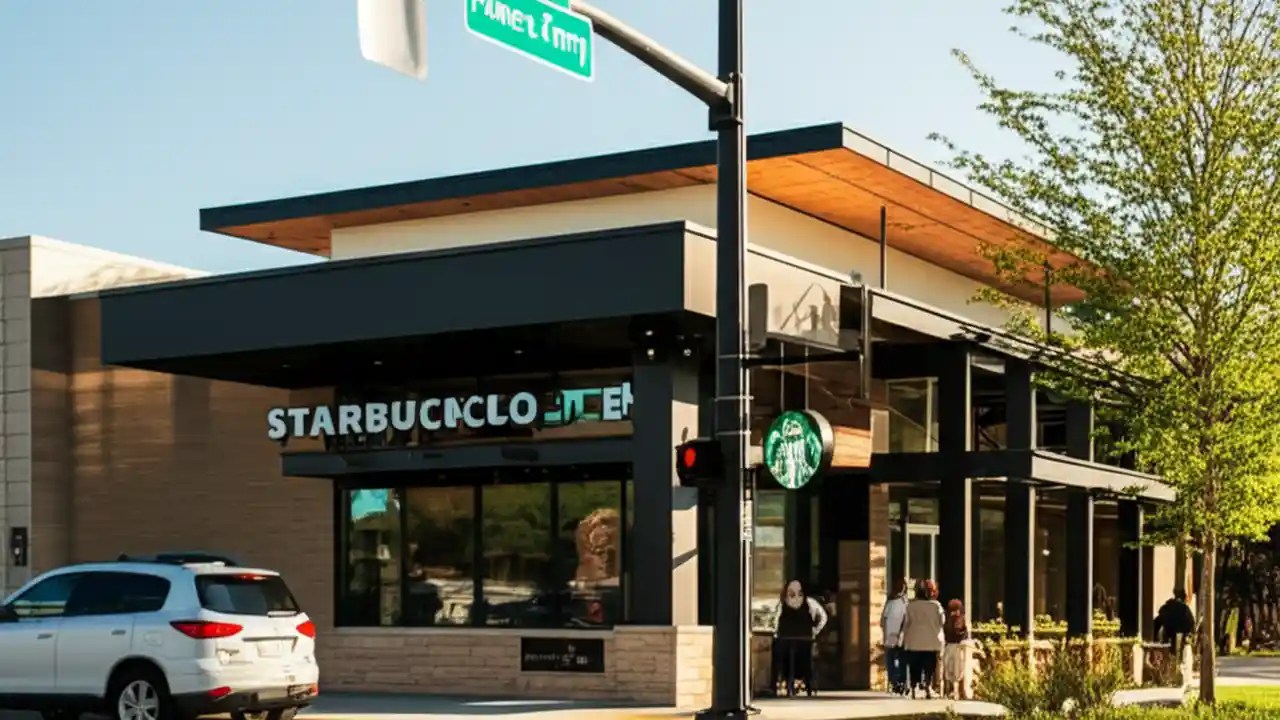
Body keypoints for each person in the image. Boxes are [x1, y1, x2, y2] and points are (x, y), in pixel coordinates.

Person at [772, 579, 829, 697]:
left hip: (804, 638)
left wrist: (815, 630)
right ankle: (788, 683)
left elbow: (823, 617)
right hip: (787, 638)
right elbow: (775, 619)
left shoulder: (810, 603)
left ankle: (807, 684)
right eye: (792, 593)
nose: (796, 596)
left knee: (806, 661)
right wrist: (776, 631)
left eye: (799, 592)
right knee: (786, 660)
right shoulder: (782, 603)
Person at [900, 579, 944, 699]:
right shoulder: (936, 606)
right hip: (931, 641)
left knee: (915, 666)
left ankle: (914, 687)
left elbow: (906, 623)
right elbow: (942, 621)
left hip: (914, 641)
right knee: (929, 666)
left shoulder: (910, 606)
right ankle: (927, 686)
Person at [881, 578, 910, 695]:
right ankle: (901, 683)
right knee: (902, 660)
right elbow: (907, 620)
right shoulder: (905, 602)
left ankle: (895, 683)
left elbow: (883, 620)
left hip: (891, 635)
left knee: (891, 661)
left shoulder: (890, 602)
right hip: (900, 636)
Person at [1154, 588, 1196, 661]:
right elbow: (1191, 623)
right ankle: (1177, 665)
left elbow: (1158, 621)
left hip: (1169, 634)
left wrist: (1154, 637)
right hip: (1180, 635)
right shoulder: (1185, 608)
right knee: (1179, 654)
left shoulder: (1168, 606)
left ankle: (1171, 663)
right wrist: (1191, 634)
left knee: (1168, 651)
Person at [942, 599, 969, 700]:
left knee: (952, 668)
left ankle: (950, 690)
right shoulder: (956, 619)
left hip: (951, 646)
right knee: (957, 668)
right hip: (955, 646)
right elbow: (963, 633)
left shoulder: (951, 619)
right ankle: (955, 691)